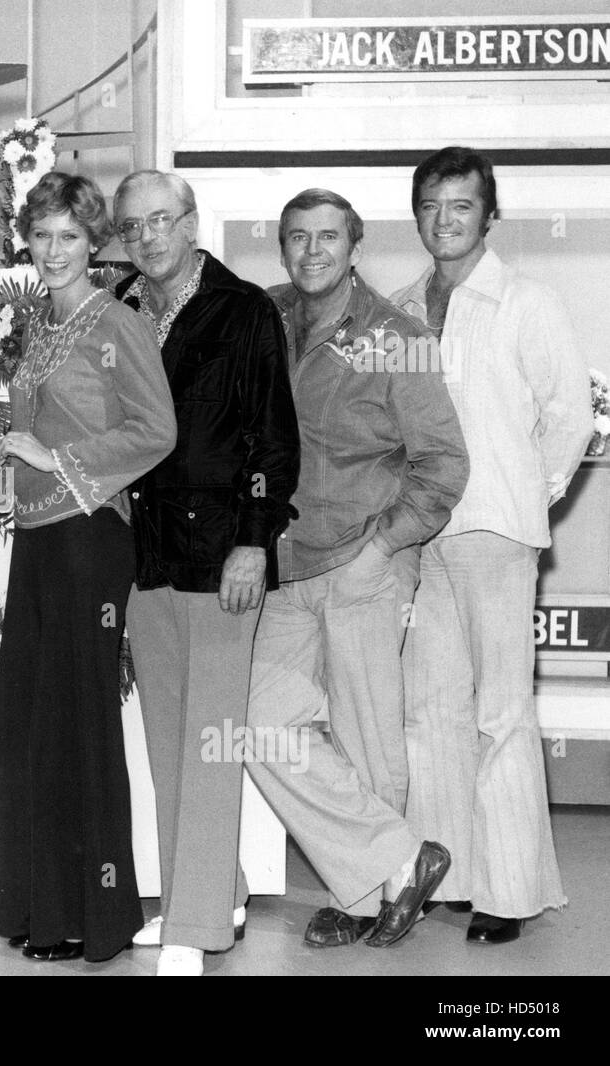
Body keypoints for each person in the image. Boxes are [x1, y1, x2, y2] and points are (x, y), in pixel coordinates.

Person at [244, 188, 469, 950]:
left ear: (355, 245)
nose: (312, 251)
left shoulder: (396, 336)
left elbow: (442, 464)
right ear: (282, 248)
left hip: (363, 560)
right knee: (259, 725)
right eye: (298, 237)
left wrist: (383, 549)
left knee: (369, 737)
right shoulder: (260, 319)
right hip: (282, 562)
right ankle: (401, 861)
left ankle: (371, 896)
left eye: (328, 237)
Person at [0, 172, 176, 963]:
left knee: (78, 726)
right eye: (42, 235)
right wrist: (10, 452)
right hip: (38, 538)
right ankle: (37, 905)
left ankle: (91, 918)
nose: (54, 251)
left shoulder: (116, 322)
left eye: (69, 236)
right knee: (27, 723)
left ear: (96, 243)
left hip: (90, 539)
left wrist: (52, 456)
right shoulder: (41, 326)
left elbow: (155, 430)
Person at [392, 148, 592, 944]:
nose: (446, 220)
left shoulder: (525, 300)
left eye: (461, 207)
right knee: (430, 711)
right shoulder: (401, 306)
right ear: (417, 217)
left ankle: (507, 891)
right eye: (433, 206)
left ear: (489, 215)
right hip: (421, 537)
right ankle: (455, 874)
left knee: (500, 712)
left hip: (495, 535)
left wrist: (520, 497)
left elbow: (569, 416)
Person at [112, 170, 300, 976]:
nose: (149, 236)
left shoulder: (245, 309)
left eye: (163, 220)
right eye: (134, 226)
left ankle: (194, 927)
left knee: (212, 743)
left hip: (224, 552)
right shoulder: (119, 310)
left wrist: (255, 540)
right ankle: (213, 890)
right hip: (146, 553)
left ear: (192, 222)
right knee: (167, 740)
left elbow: (274, 440)